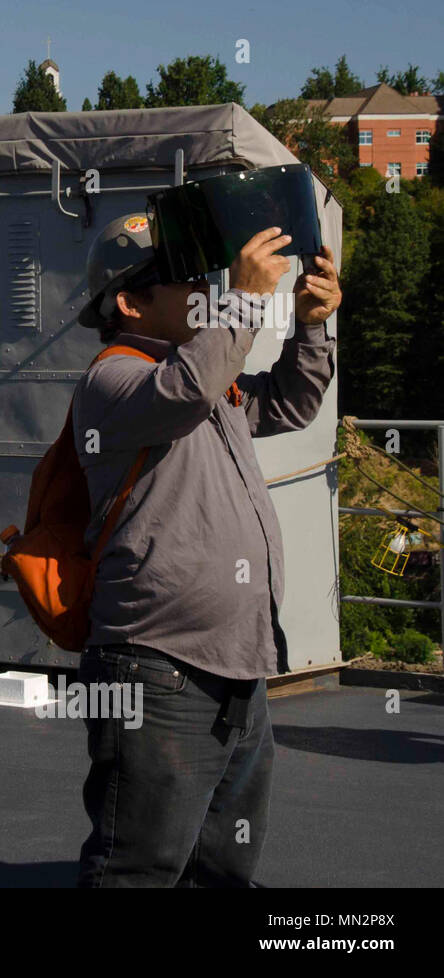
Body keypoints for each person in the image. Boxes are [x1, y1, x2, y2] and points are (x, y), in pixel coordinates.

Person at [71, 212, 341, 886]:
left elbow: (288, 403)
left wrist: (309, 323)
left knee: (222, 866)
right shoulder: (115, 380)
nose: (202, 288)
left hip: (235, 669)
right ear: (129, 302)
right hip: (156, 668)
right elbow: (184, 391)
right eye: (181, 278)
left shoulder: (205, 379)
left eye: (203, 276)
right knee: (136, 866)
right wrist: (247, 301)